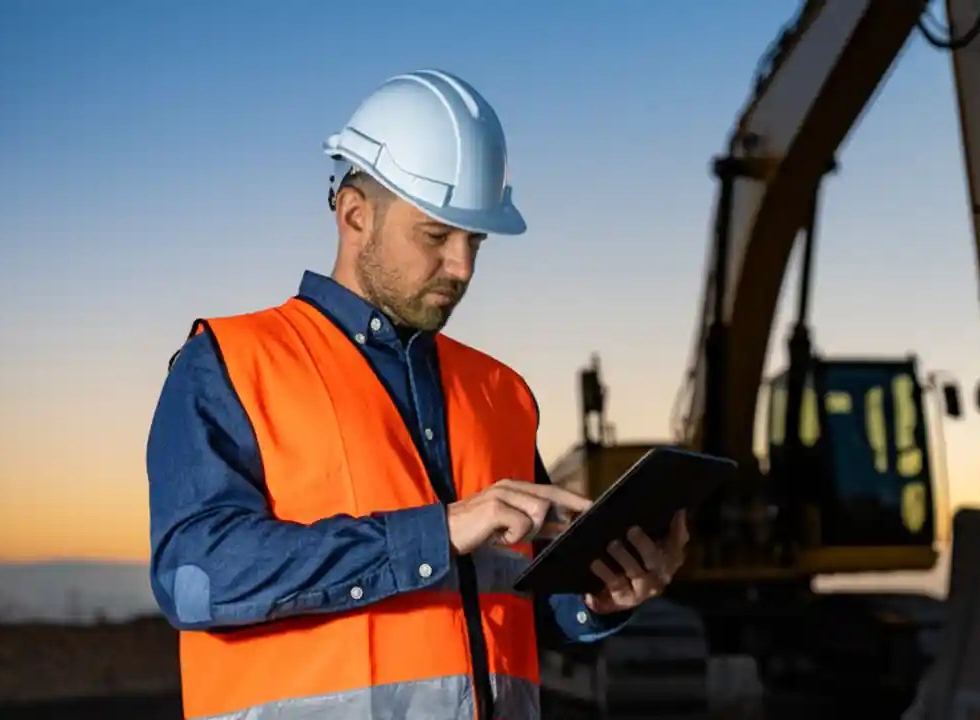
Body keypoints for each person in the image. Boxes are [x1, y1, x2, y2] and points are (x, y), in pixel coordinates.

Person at [145, 69, 690, 720]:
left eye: (475, 241)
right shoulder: (233, 363)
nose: (461, 266)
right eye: (436, 235)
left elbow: (517, 600)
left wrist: (600, 598)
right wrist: (440, 531)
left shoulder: (500, 392)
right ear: (355, 216)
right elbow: (196, 578)